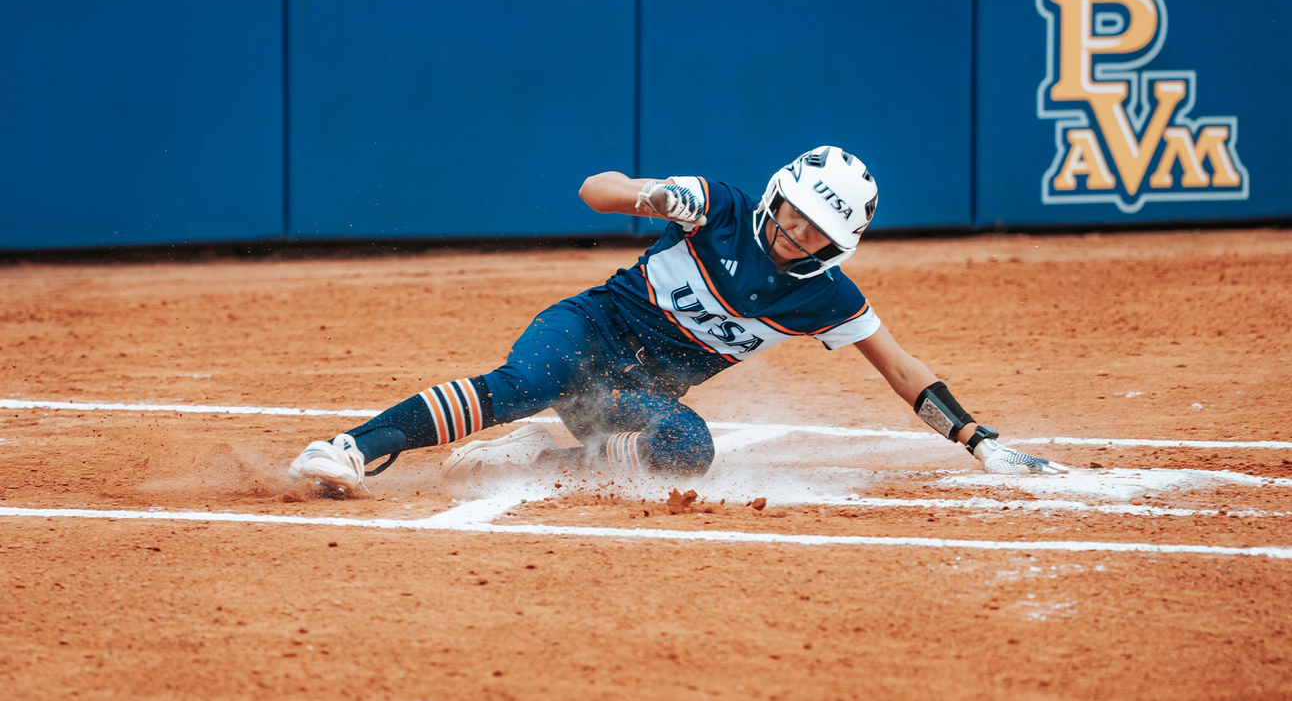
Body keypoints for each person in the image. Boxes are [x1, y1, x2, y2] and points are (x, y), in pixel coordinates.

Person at [287, 146, 1067, 494]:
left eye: (816, 232)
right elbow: (595, 189)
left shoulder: (827, 298)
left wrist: (978, 439)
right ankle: (351, 447)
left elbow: (901, 368)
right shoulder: (718, 205)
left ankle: (544, 461)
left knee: (689, 449)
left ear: (840, 245)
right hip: (587, 330)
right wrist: (654, 195)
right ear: (777, 193)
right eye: (794, 214)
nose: (795, 233)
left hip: (631, 395)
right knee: (523, 382)